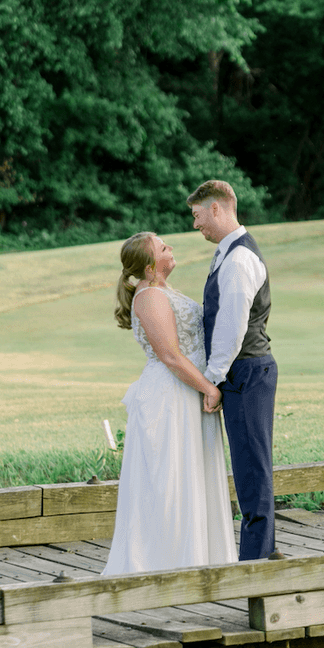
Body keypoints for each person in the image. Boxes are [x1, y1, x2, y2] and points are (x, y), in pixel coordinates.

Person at [102, 231, 237, 576]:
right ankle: (167, 564)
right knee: (170, 480)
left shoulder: (162, 291)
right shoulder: (148, 297)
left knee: (191, 473)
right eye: (163, 247)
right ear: (150, 267)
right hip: (170, 397)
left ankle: (200, 560)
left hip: (185, 392)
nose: (170, 248)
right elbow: (170, 355)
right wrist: (209, 387)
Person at [187, 180, 278, 561]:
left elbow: (232, 325)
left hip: (247, 373)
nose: (196, 226)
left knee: (252, 469)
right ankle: (260, 556)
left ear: (216, 209)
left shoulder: (239, 258)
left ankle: (257, 562)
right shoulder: (228, 253)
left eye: (197, 216)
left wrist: (212, 378)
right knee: (247, 467)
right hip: (243, 373)